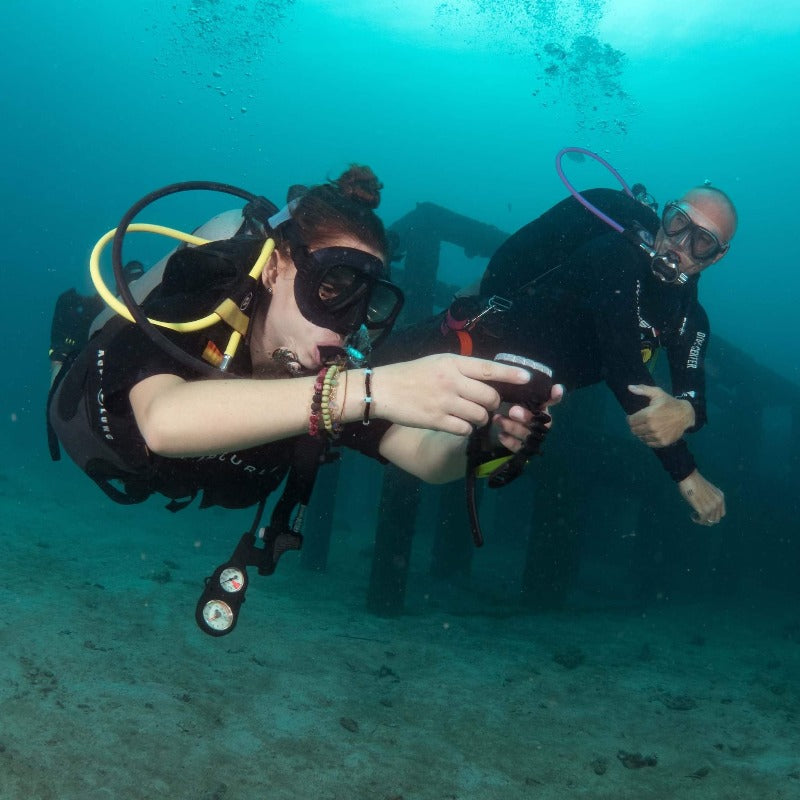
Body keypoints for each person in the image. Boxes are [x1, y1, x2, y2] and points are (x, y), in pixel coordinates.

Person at [47, 164, 560, 542]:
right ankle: (74, 323)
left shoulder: (338, 371)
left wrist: (490, 441)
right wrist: (369, 390)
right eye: (333, 286)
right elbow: (161, 421)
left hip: (170, 478)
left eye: (368, 301)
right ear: (275, 269)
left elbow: (425, 458)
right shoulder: (201, 298)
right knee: (75, 358)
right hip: (87, 419)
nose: (348, 322)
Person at [377, 183, 737, 526]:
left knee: (431, 458)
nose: (680, 243)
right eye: (678, 222)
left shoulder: (691, 321)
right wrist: (686, 473)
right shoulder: (616, 255)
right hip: (471, 346)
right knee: (363, 370)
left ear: (717, 257)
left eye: (702, 241)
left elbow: (695, 399)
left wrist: (686, 411)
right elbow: (624, 368)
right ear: (666, 215)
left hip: (521, 399)